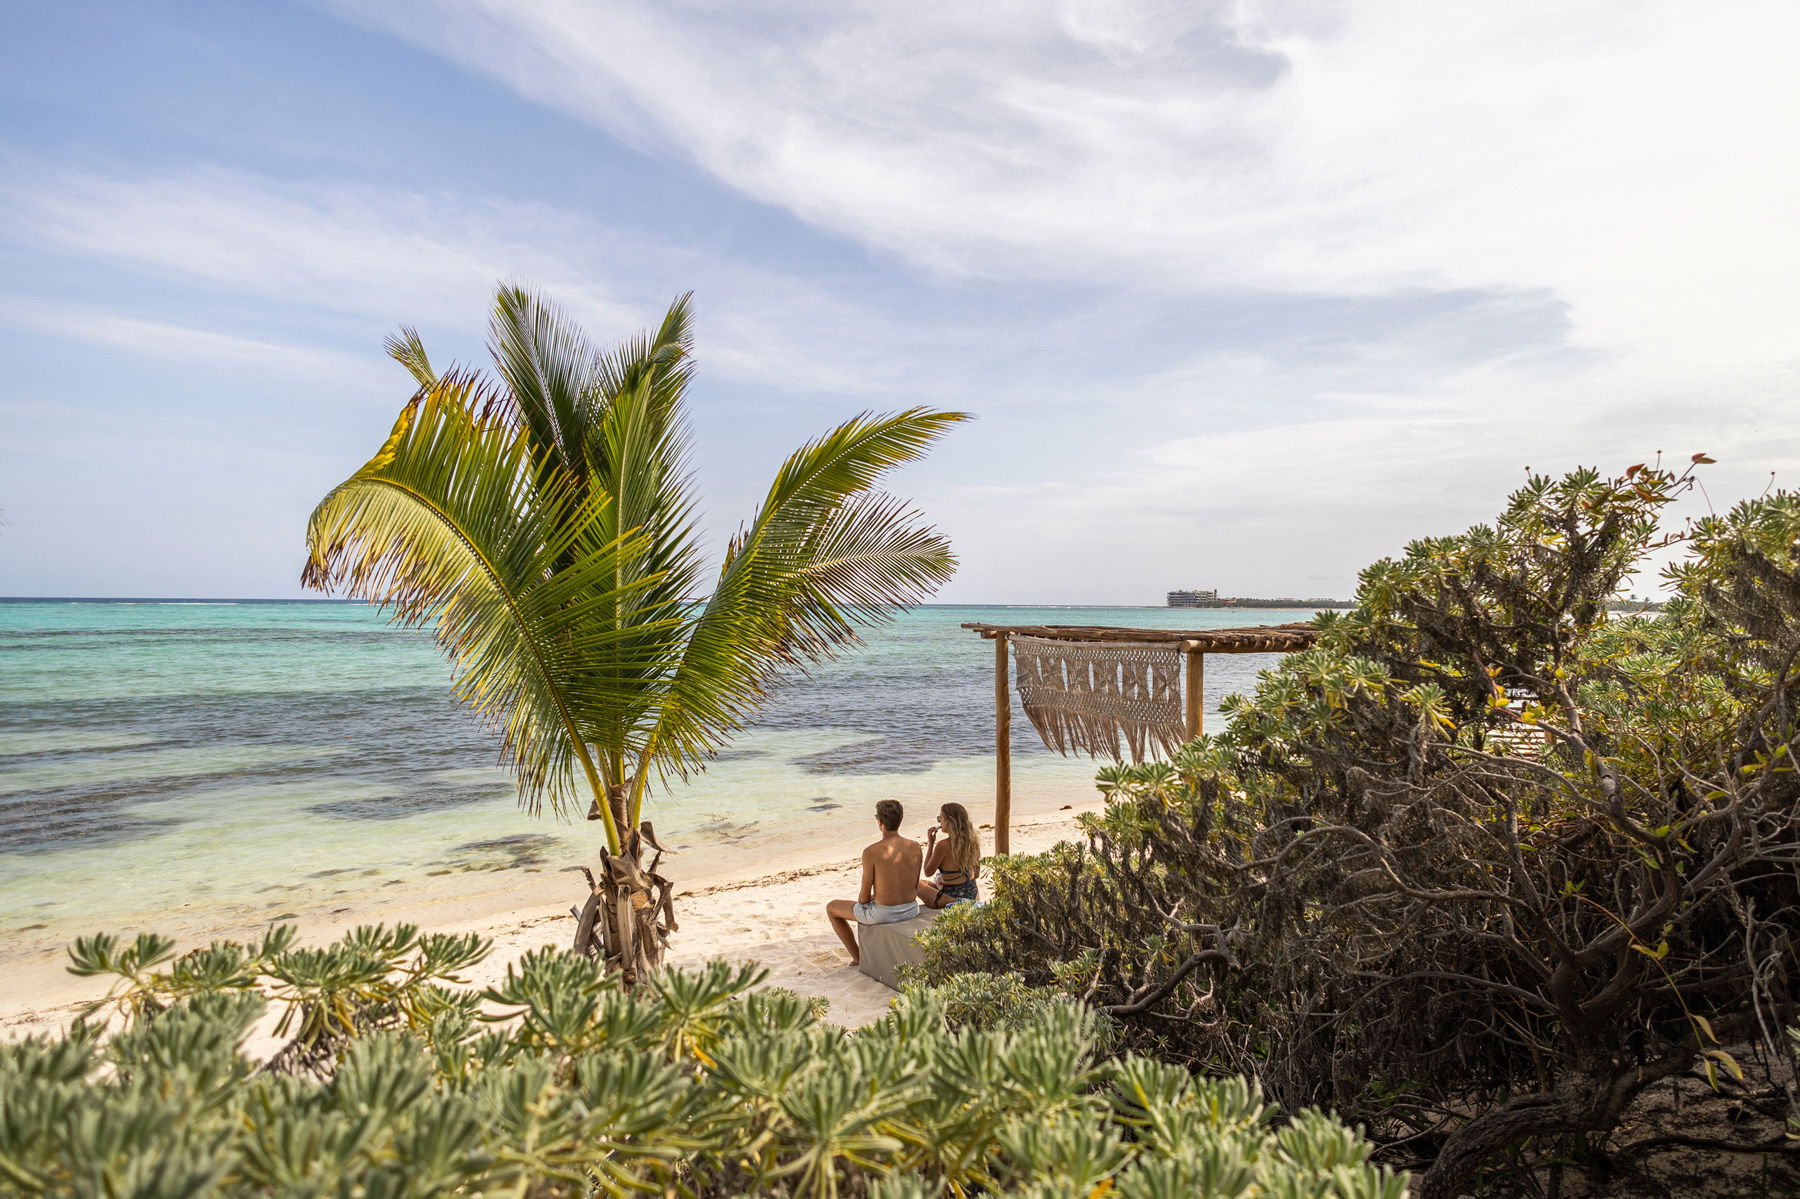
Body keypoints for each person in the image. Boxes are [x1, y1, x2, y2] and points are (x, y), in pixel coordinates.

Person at [826, 799, 923, 966]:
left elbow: (863, 898)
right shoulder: (915, 846)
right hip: (911, 909)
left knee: (832, 908)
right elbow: (913, 885)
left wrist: (870, 898)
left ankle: (858, 958)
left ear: (880, 822)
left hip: (883, 914)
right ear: (900, 820)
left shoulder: (871, 851)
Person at [917, 801, 981, 908]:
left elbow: (928, 871)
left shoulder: (943, 846)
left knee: (915, 884)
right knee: (928, 883)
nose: (939, 822)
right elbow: (977, 874)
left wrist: (931, 843)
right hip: (972, 894)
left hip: (952, 899)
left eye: (940, 818)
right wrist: (949, 879)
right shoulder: (973, 840)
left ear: (948, 820)